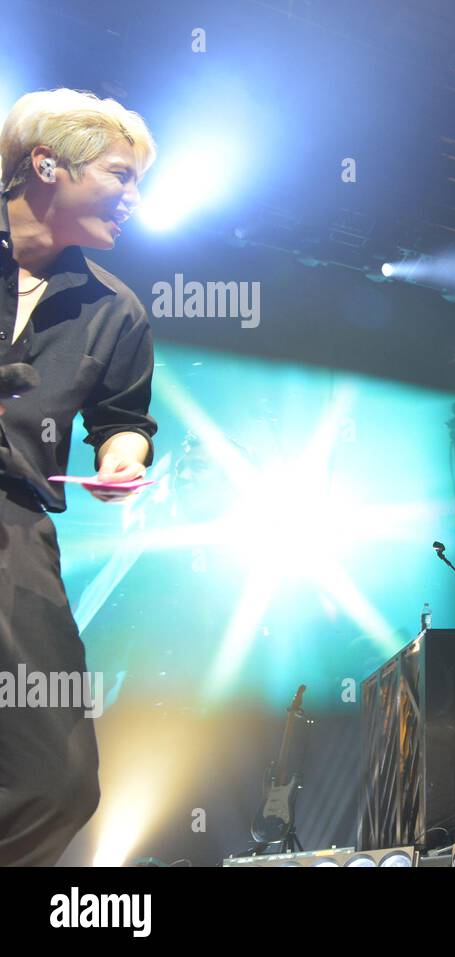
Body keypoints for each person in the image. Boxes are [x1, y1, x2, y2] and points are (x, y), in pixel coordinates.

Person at [0, 89, 158, 865]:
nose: (134, 198)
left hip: (14, 532)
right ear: (46, 165)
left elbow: (124, 419)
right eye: (120, 176)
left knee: (61, 778)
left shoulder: (116, 311)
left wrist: (122, 459)